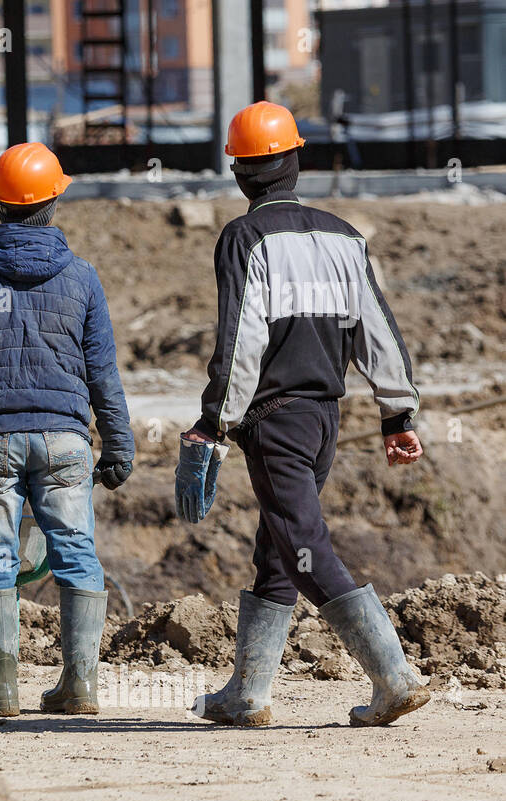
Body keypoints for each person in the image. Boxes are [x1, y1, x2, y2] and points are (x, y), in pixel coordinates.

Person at [176, 101, 429, 728]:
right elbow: (378, 331)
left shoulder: (245, 238)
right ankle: (248, 693)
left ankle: (393, 675)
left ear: (239, 172)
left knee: (304, 548)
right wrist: (397, 415)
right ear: (296, 160)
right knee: (279, 545)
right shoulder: (344, 237)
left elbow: (241, 340)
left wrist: (214, 421)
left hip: (275, 420)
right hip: (323, 421)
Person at [0, 142, 134, 718]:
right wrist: (118, 444)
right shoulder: (82, 277)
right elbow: (102, 372)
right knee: (77, 552)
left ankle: (1, 691)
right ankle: (80, 687)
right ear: (54, 201)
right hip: (65, 440)